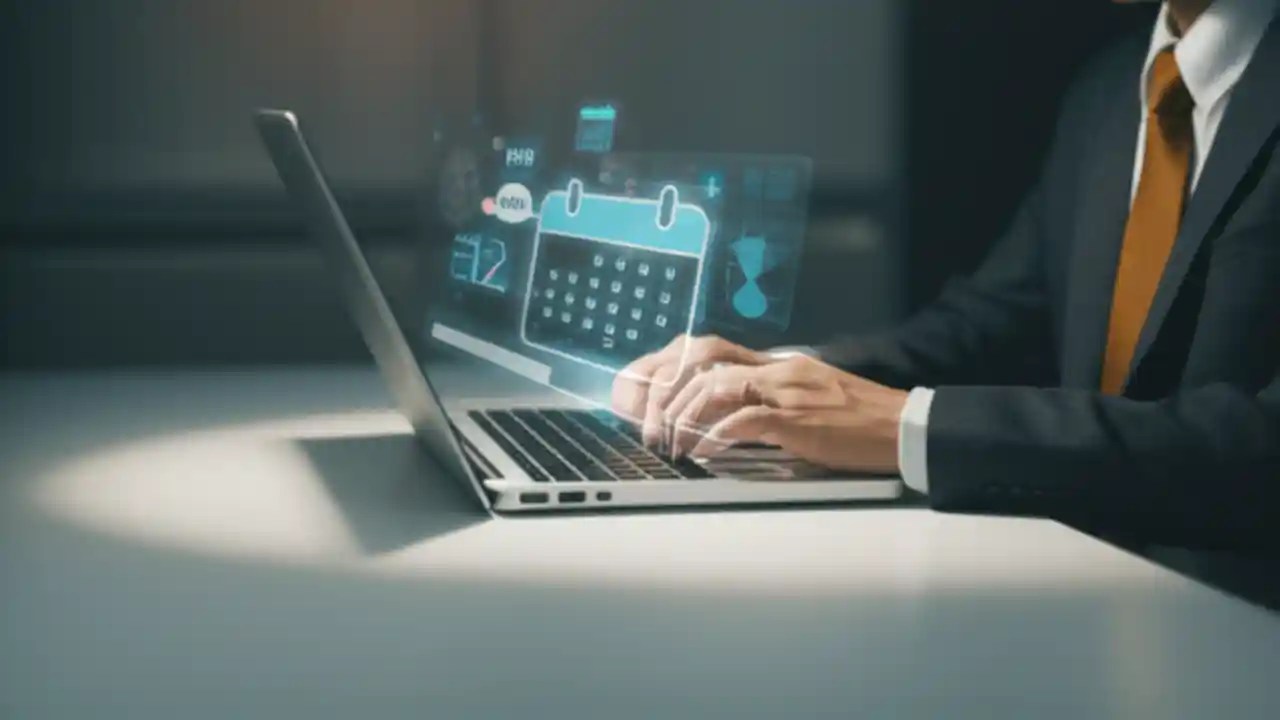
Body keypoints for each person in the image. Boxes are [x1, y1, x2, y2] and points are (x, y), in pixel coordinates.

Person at [612, 0, 1280, 550]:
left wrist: (913, 425)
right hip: (1078, 586)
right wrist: (773, 377)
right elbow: (988, 323)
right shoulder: (1108, 90)